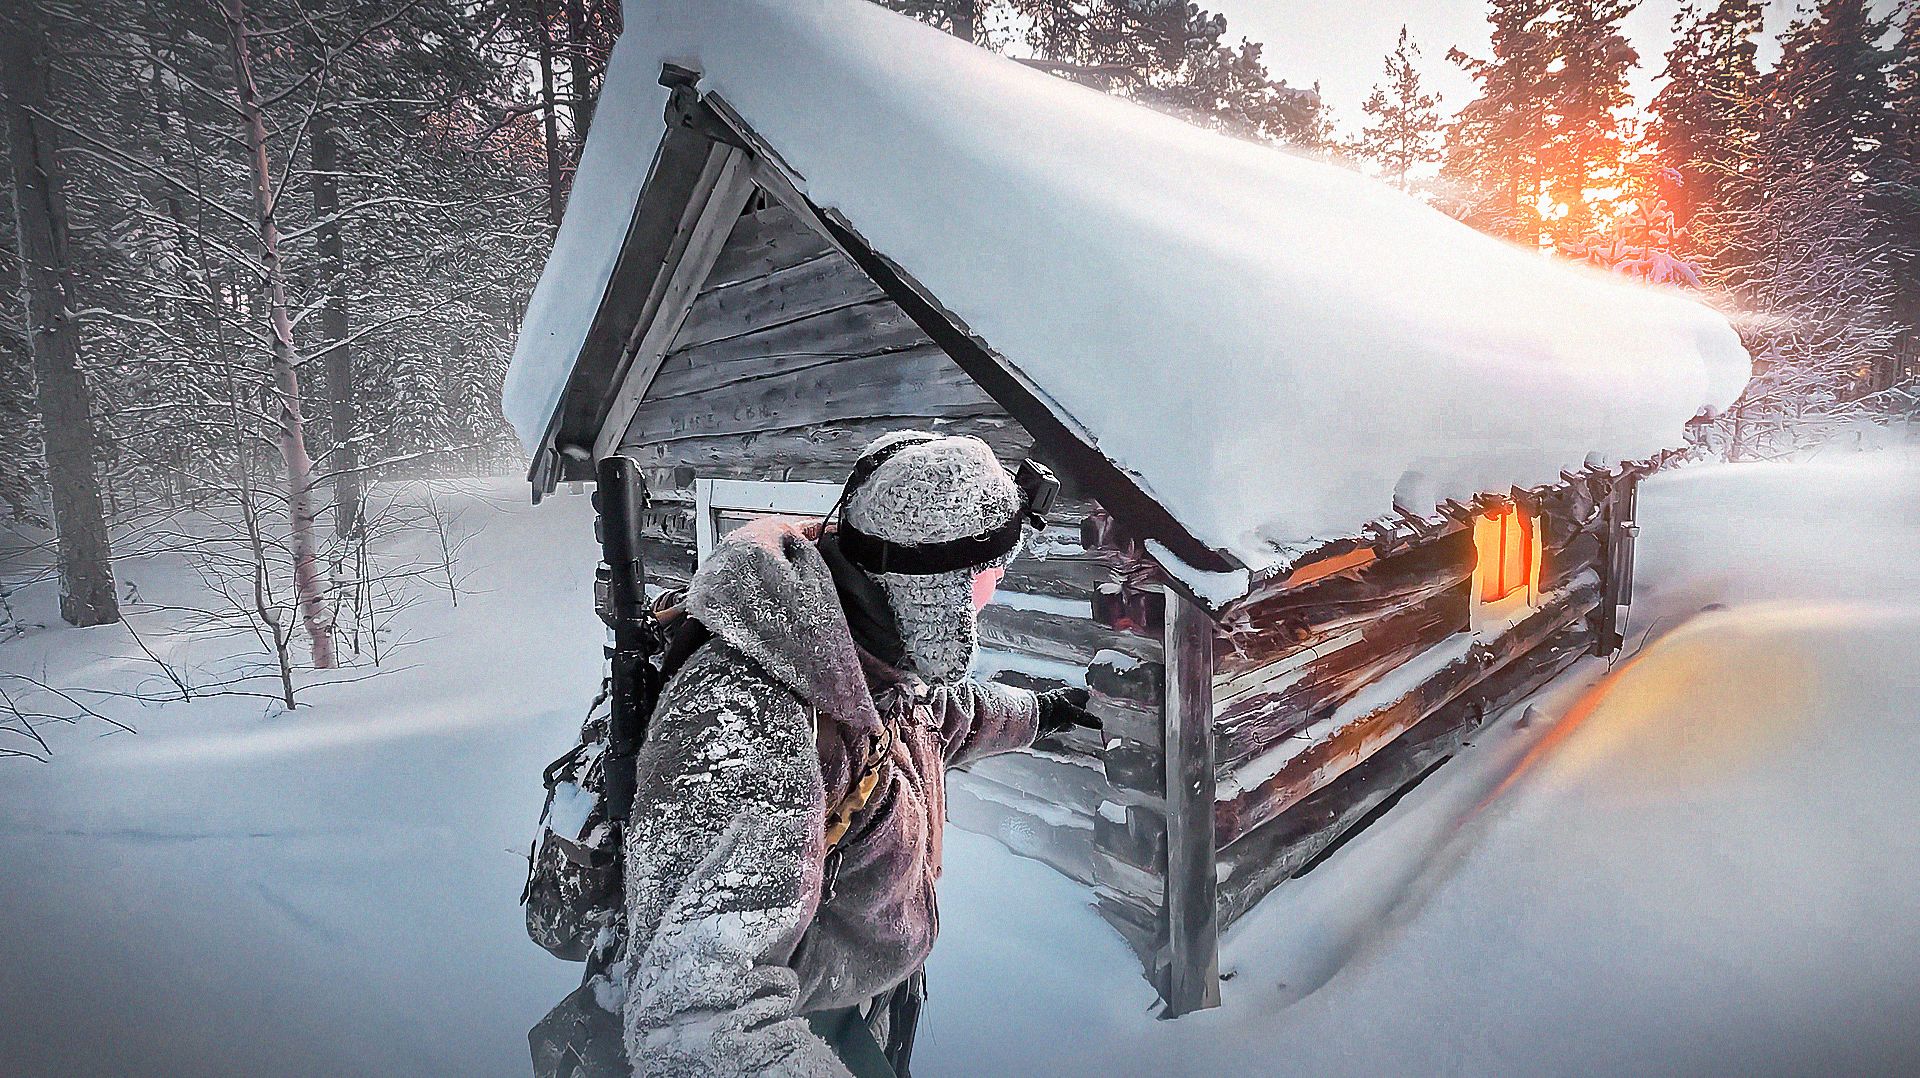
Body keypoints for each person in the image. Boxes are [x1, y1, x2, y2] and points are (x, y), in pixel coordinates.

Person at [615, 431, 1093, 1077]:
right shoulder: (749, 723)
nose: (1000, 582)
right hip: (809, 1029)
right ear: (934, 591)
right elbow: (698, 1028)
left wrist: (1042, 712)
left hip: (873, 997)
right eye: (987, 571)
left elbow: (934, 719)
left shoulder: (861, 648)